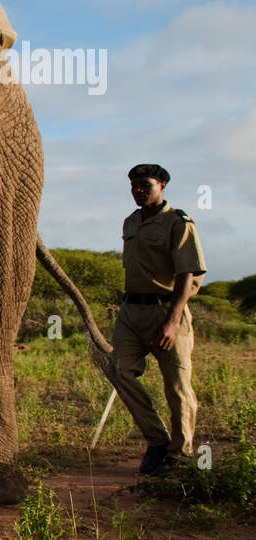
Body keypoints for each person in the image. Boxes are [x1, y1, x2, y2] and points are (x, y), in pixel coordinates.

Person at [112, 164, 206, 476]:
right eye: (134, 185)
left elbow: (186, 275)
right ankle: (157, 440)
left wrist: (171, 321)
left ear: (162, 185)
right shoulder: (131, 221)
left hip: (166, 311)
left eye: (145, 185)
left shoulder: (178, 222)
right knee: (119, 370)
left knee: (177, 386)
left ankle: (180, 455)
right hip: (130, 311)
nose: (138, 190)